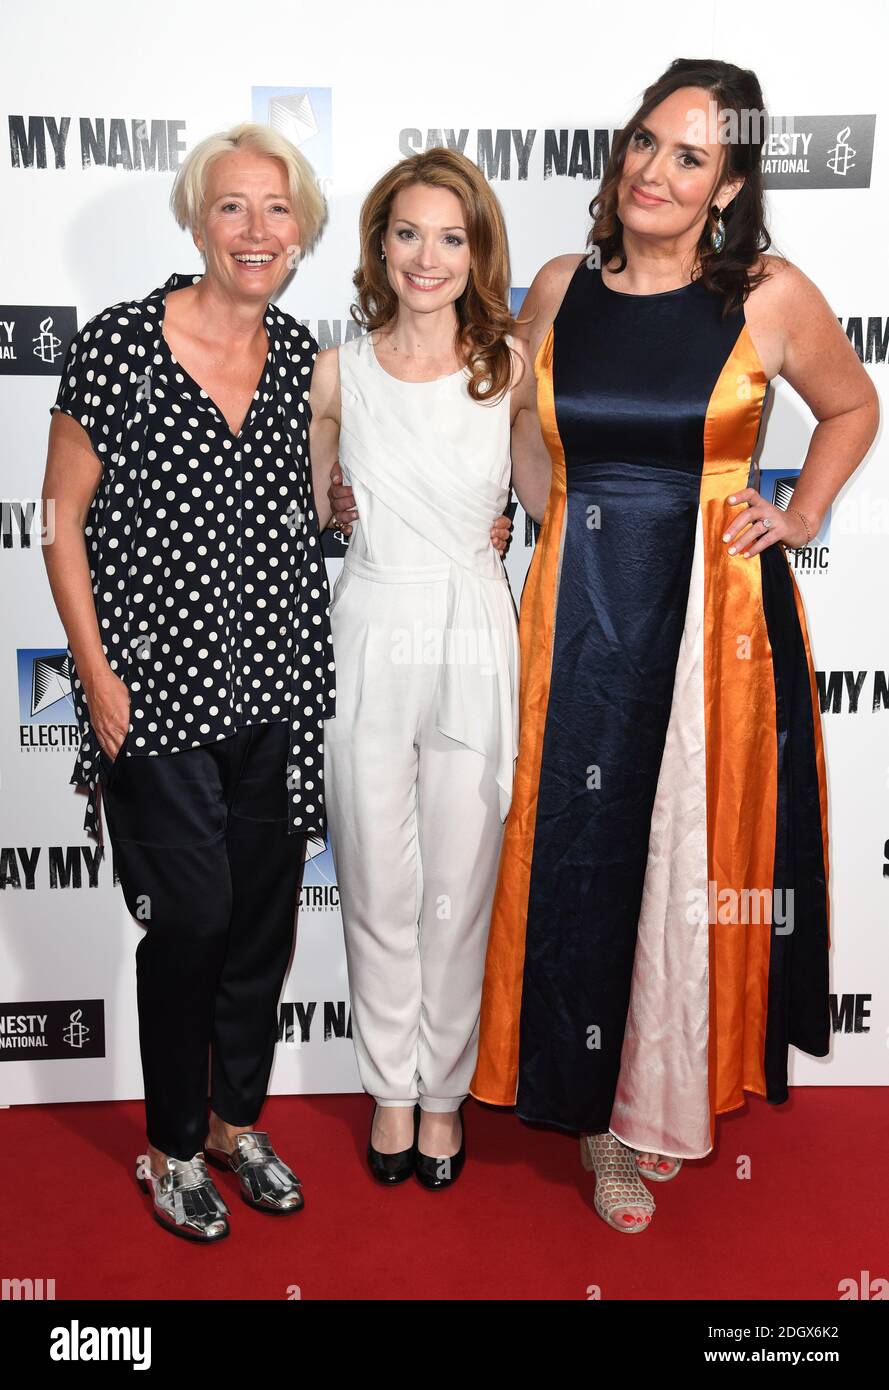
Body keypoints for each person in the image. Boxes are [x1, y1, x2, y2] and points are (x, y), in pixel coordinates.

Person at [466, 59, 879, 1232]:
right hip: (581, 607)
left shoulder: (766, 294)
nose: (654, 170)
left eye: (689, 155)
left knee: (689, 865)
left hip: (714, 619)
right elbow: (520, 427)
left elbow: (853, 406)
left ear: (728, 180)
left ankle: (662, 1096)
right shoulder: (557, 285)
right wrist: (544, 524)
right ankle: (593, 1115)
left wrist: (797, 513)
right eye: (645, 142)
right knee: (581, 859)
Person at [41, 122, 333, 1241]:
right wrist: (95, 674)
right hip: (152, 700)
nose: (255, 231)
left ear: (300, 230)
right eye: (231, 207)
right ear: (195, 220)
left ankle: (235, 1123)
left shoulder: (307, 358)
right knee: (194, 922)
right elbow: (60, 522)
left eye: (275, 209)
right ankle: (167, 1148)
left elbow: (311, 504)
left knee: (260, 924)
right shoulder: (119, 344)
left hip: (275, 687)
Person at [311, 149, 545, 1189]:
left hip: (469, 631)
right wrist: (336, 504)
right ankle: (388, 1087)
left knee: (457, 882)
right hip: (369, 622)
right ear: (378, 244)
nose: (427, 255)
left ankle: (442, 1095)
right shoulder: (338, 369)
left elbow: (547, 489)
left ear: (478, 251)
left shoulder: (510, 366)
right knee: (374, 878)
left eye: (451, 237)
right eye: (408, 232)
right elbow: (320, 496)